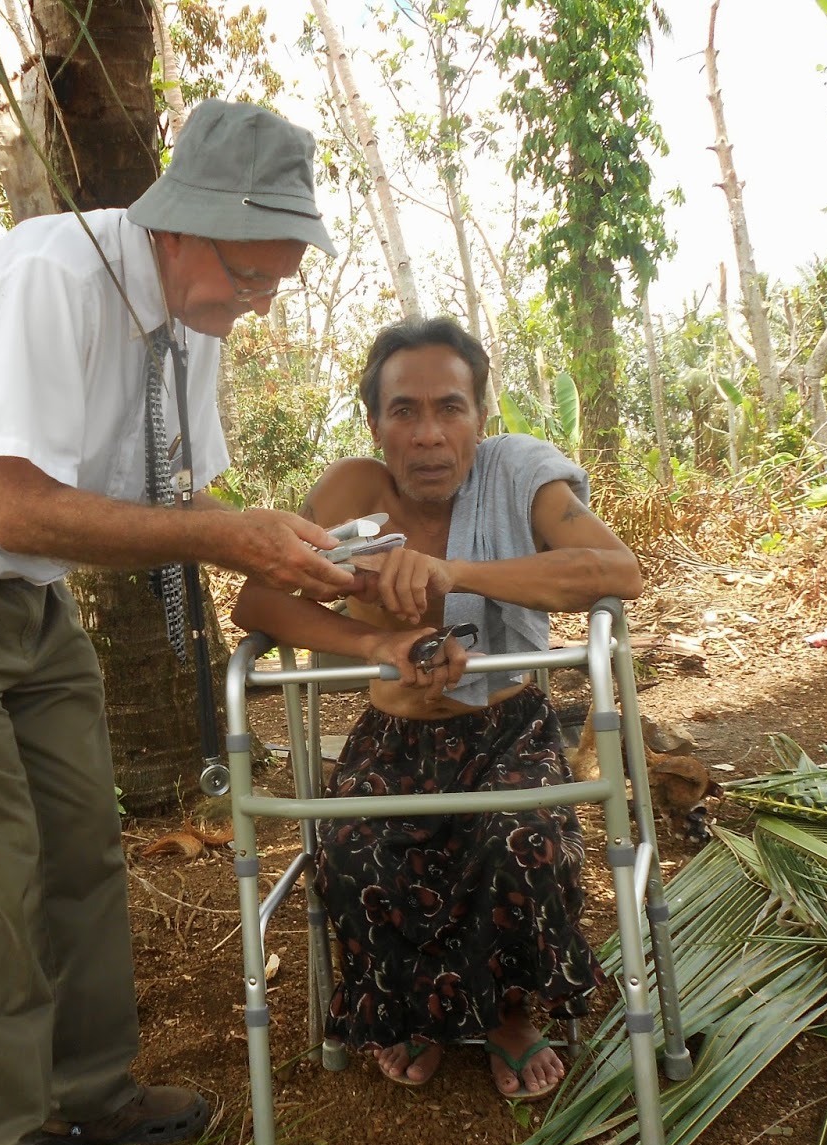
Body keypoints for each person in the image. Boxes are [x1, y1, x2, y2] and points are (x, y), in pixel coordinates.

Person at [0, 100, 359, 1145]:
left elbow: (181, 495)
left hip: (27, 594)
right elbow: (19, 507)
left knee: (79, 844)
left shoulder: (190, 321)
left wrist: (286, 545)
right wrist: (223, 535)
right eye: (249, 278)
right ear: (184, 226)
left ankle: (88, 1090)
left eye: (273, 283)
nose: (256, 304)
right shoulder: (49, 278)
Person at [232, 316, 643, 1100]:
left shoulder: (519, 472)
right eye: (404, 411)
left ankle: (509, 1015)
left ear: (480, 419)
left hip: (508, 726)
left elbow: (615, 571)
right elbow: (257, 601)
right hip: (392, 734)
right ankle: (416, 1009)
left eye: (450, 408)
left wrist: (455, 573)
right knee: (351, 847)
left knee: (519, 836)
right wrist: (379, 645)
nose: (428, 434)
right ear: (375, 425)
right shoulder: (353, 492)